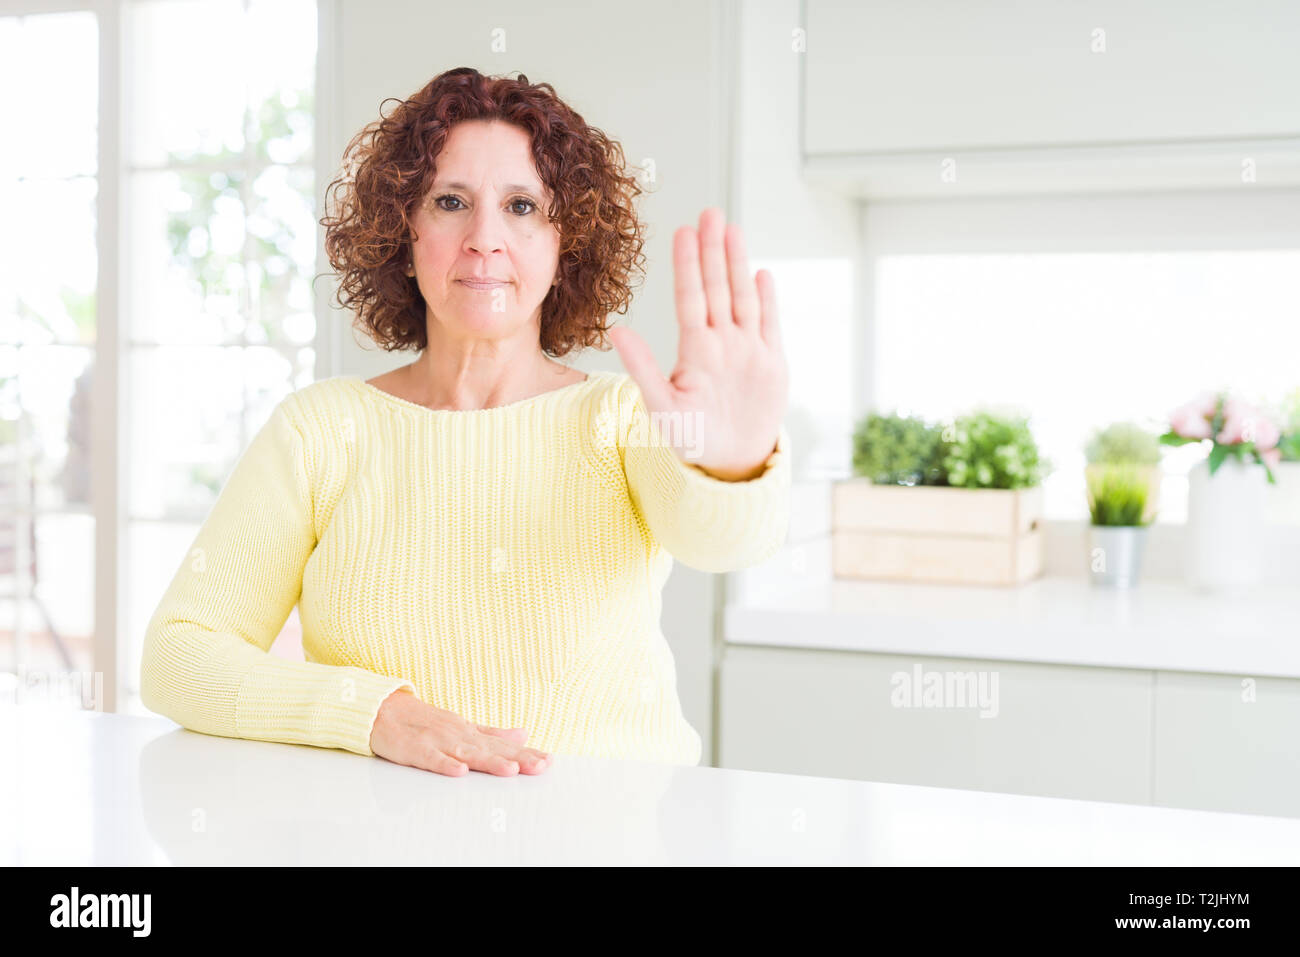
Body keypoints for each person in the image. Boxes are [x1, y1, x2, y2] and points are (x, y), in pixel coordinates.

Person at [140, 67, 791, 778]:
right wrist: (374, 713)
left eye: (521, 205)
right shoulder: (320, 430)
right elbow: (180, 653)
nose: (485, 238)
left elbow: (724, 540)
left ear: (563, 240)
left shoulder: (623, 419)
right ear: (406, 228)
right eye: (451, 201)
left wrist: (731, 462)